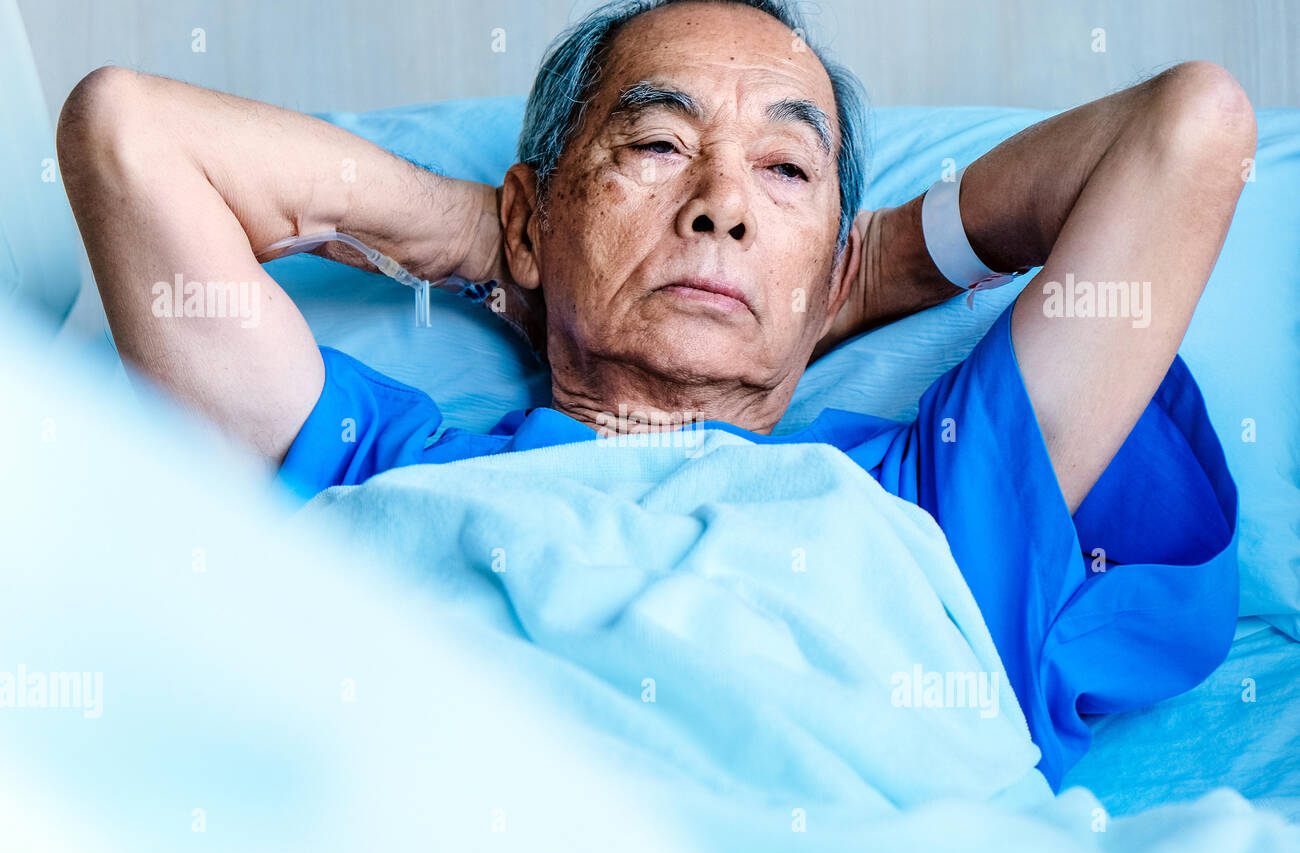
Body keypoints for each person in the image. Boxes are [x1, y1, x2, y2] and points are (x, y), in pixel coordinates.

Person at [55, 0, 1253, 788]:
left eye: (786, 169)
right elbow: (126, 135)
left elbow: (1190, 128)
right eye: (657, 146)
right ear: (535, 212)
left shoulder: (940, 493)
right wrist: (484, 233)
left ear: (833, 264)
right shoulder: (380, 458)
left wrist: (876, 262)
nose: (723, 202)